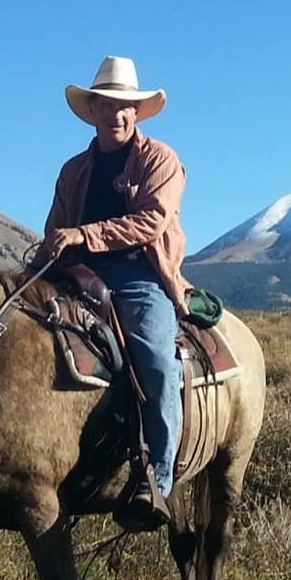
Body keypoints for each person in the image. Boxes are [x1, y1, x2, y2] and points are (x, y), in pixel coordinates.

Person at [41, 56, 190, 531]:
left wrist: (84, 236)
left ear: (137, 112)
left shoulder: (160, 160)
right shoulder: (73, 170)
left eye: (127, 107)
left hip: (139, 274)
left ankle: (157, 480)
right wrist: (54, 251)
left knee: (157, 363)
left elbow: (151, 222)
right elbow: (56, 224)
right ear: (95, 111)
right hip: (76, 274)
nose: (118, 115)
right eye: (109, 106)